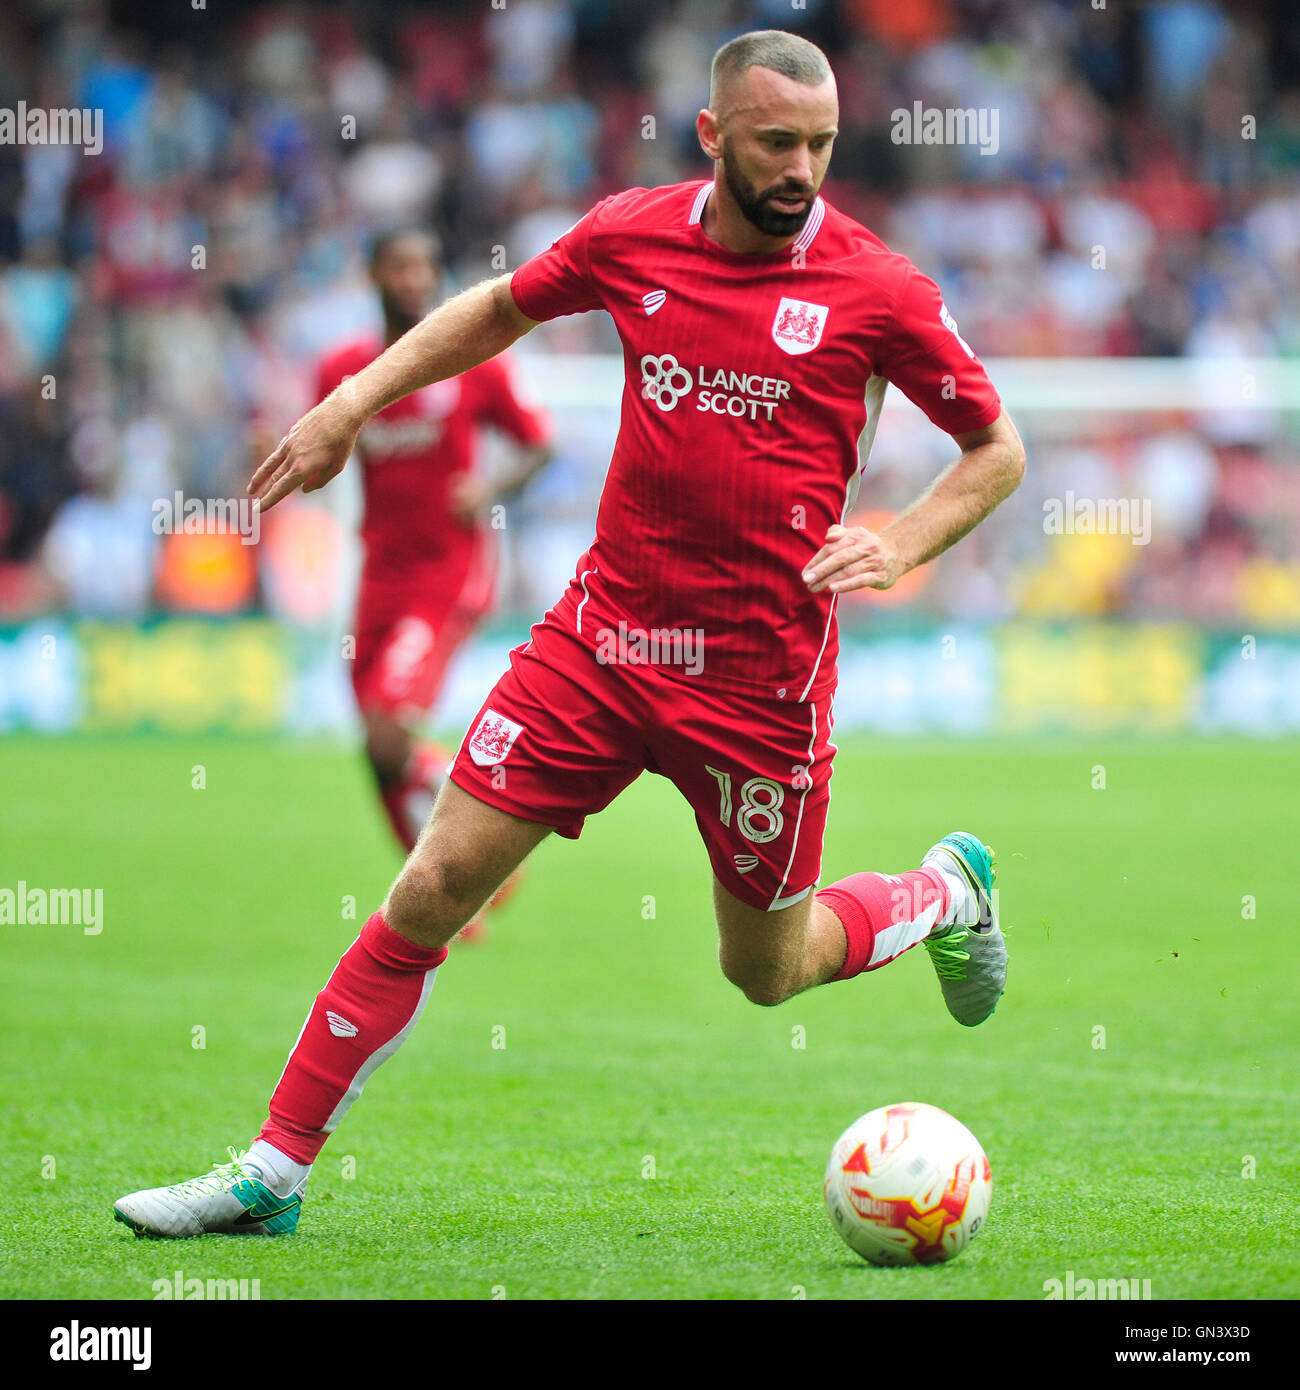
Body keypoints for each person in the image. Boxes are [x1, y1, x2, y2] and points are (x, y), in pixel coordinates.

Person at [114, 29, 1025, 1240]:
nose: (801, 167)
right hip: (601, 645)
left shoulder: (879, 288)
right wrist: (347, 402)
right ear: (712, 136)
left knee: (764, 971)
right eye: (774, 143)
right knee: (431, 884)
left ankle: (944, 892)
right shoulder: (633, 233)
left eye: (818, 143)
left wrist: (904, 540)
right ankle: (269, 1175)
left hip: (759, 684)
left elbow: (997, 450)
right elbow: (496, 309)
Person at [315, 228, 553, 884]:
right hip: (378, 571)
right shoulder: (343, 371)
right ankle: (433, 901)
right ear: (373, 276)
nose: (415, 279)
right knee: (375, 750)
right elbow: (322, 459)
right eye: (400, 266)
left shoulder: (474, 360)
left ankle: (495, 811)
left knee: (389, 735)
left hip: (448, 571)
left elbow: (540, 444)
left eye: (425, 266)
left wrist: (490, 486)